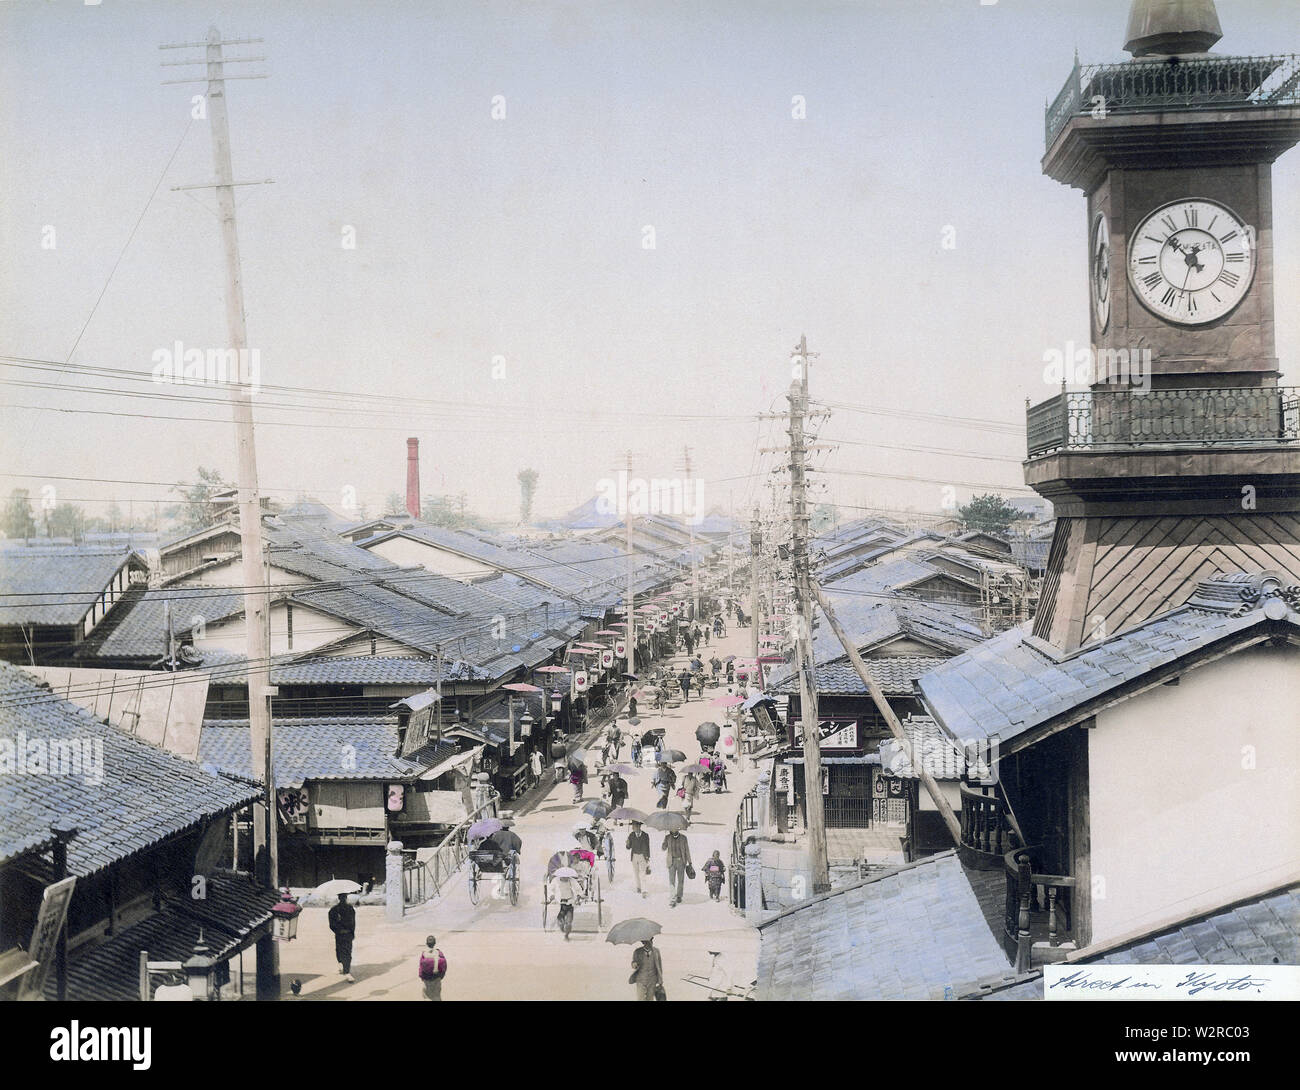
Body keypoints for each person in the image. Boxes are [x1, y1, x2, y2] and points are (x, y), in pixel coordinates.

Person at [328, 892, 356, 982]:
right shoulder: (334, 910)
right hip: (340, 934)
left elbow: (353, 922)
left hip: (347, 934)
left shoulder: (350, 909)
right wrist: (339, 930)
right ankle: (341, 964)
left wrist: (352, 932)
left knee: (347, 952)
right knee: (339, 950)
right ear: (339, 898)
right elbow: (332, 924)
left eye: (345, 897)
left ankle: (347, 971)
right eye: (342, 897)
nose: (343, 899)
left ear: (346, 898)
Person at [662, 829, 693, 908]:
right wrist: (664, 843)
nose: (673, 829)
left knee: (680, 880)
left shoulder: (683, 838)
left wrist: (690, 862)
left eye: (675, 828)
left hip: (681, 862)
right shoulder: (667, 837)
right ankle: (673, 898)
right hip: (671, 862)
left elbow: (687, 851)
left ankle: (679, 896)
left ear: (678, 829)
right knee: (671, 881)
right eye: (672, 828)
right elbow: (663, 848)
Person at [550, 867, 578, 939]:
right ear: (560, 876)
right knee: (560, 920)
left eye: (567, 877)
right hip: (560, 904)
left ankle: (567, 935)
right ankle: (561, 926)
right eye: (564, 877)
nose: (565, 878)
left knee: (569, 922)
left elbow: (578, 888)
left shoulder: (572, 881)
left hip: (569, 903)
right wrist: (552, 895)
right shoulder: (555, 881)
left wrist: (579, 895)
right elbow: (551, 889)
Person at [417, 935, 447, 1000]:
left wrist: (422, 977)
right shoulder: (439, 953)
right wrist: (440, 976)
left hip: (426, 980)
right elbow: (444, 967)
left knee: (427, 997)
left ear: (426, 943)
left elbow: (421, 968)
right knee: (437, 996)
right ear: (435, 943)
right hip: (437, 979)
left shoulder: (424, 954)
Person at [626, 820, 651, 897]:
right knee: (636, 873)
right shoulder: (631, 835)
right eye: (633, 826)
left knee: (643, 874)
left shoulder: (645, 835)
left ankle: (644, 891)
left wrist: (647, 857)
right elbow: (628, 847)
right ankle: (639, 887)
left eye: (634, 826)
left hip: (642, 856)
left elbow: (647, 847)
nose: (633, 827)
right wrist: (627, 843)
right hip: (634, 856)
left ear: (639, 826)